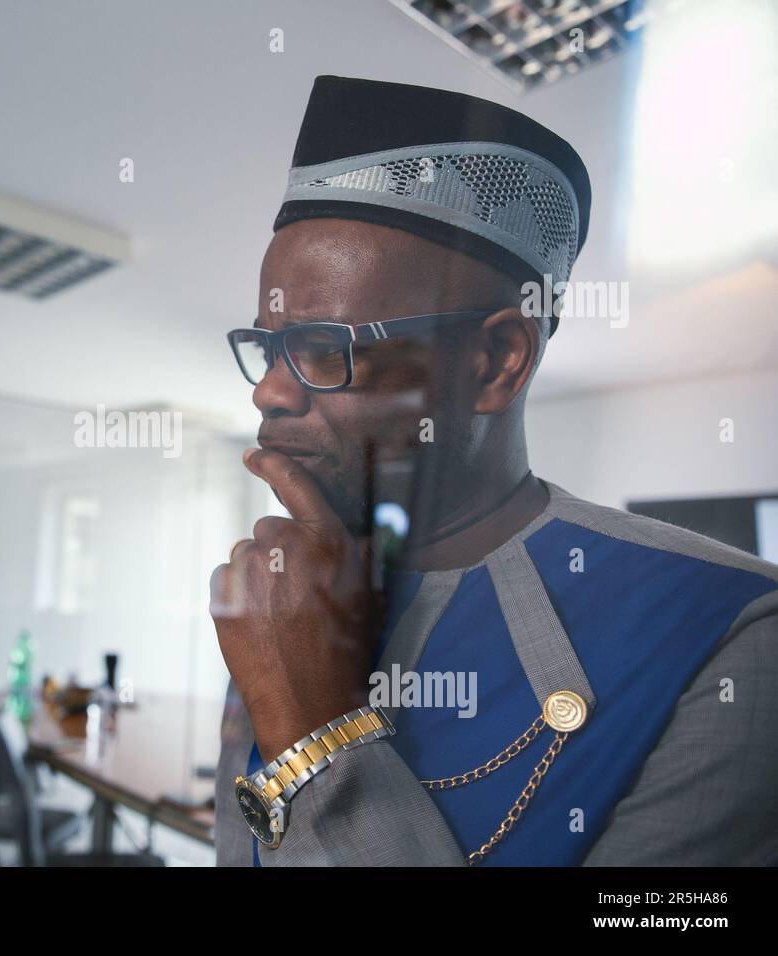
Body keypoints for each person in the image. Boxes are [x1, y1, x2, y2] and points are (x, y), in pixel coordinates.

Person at [211, 77, 778, 866]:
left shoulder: (730, 636)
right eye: (268, 348)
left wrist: (318, 737)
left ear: (494, 362)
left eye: (322, 349)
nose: (268, 391)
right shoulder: (293, 589)